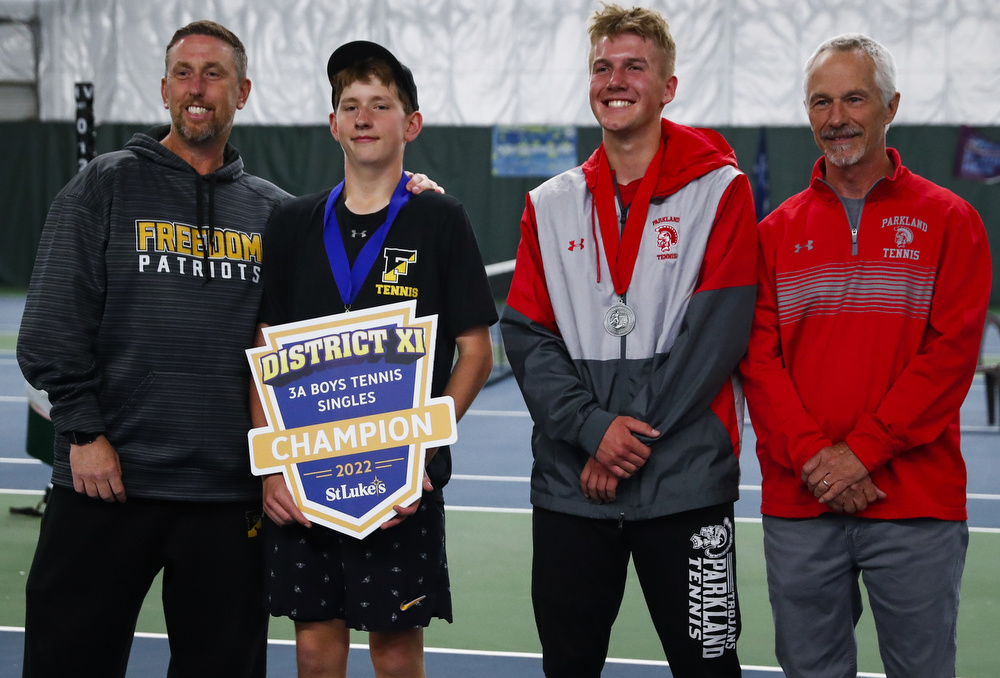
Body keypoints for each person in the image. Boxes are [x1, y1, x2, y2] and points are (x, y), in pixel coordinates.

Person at [16, 20, 438, 678]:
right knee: (68, 661)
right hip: (106, 484)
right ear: (163, 89)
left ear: (242, 93)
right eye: (184, 72)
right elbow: (48, 327)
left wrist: (407, 205)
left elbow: (332, 317)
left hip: (226, 498)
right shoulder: (104, 186)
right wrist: (82, 430)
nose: (197, 87)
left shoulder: (275, 213)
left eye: (215, 74)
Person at [500, 4, 757, 677]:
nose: (614, 80)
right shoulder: (548, 205)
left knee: (709, 665)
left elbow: (716, 337)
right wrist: (591, 431)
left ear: (667, 87)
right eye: (602, 67)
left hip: (687, 483)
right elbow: (528, 336)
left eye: (633, 67)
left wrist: (621, 443)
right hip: (570, 487)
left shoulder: (720, 191)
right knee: (570, 665)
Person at [740, 33, 992, 678]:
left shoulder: (951, 219)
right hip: (801, 502)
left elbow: (949, 359)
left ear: (890, 106)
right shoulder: (773, 234)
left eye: (855, 98)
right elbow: (759, 363)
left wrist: (859, 454)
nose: (837, 117)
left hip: (916, 503)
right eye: (820, 102)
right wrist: (815, 461)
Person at [254, 40, 496, 678]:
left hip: (401, 481)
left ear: (409, 124)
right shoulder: (290, 224)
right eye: (350, 105)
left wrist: (419, 448)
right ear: (332, 123)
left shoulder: (441, 219)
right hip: (304, 482)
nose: (364, 117)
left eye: (380, 104)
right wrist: (272, 468)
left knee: (393, 651)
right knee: (314, 644)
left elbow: (475, 350)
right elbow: (264, 348)